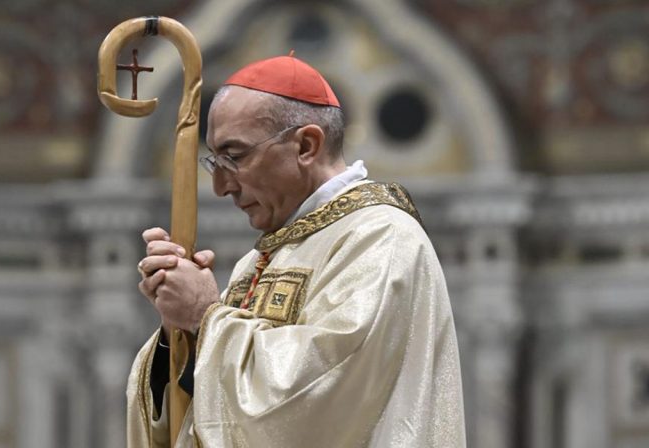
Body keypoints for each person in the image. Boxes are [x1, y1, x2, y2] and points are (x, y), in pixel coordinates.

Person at [126, 54, 466, 448]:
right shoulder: (256, 262)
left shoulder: (381, 239)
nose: (221, 186)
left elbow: (319, 398)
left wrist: (205, 317)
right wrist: (179, 333)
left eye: (234, 157)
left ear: (306, 144)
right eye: (214, 162)